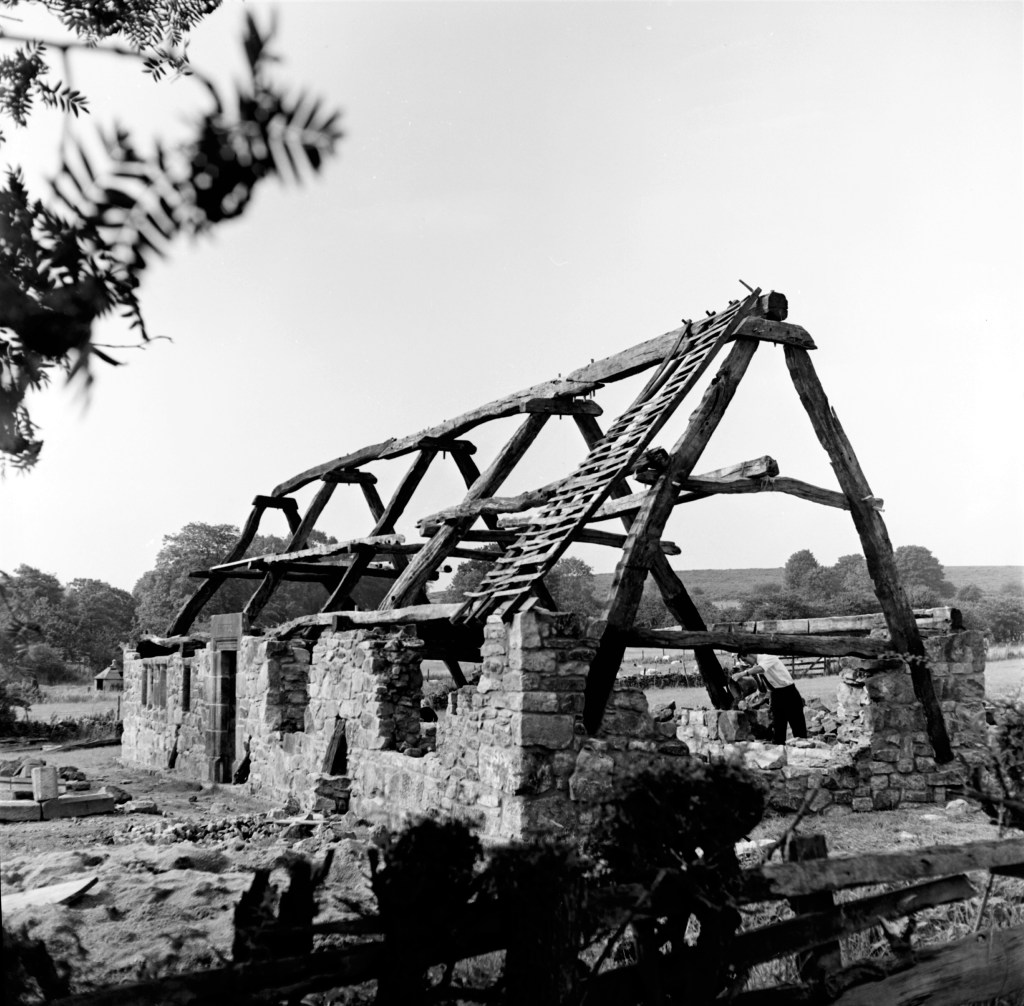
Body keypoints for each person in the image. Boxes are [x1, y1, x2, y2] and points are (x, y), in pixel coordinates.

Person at [732, 652, 807, 743]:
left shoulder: (768, 657)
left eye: (745, 660)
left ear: (748, 654)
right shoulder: (757, 665)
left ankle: (802, 746)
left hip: (788, 691)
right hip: (776, 693)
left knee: (797, 722)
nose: (747, 664)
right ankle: (779, 747)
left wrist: (743, 674)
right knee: (778, 724)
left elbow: (760, 668)